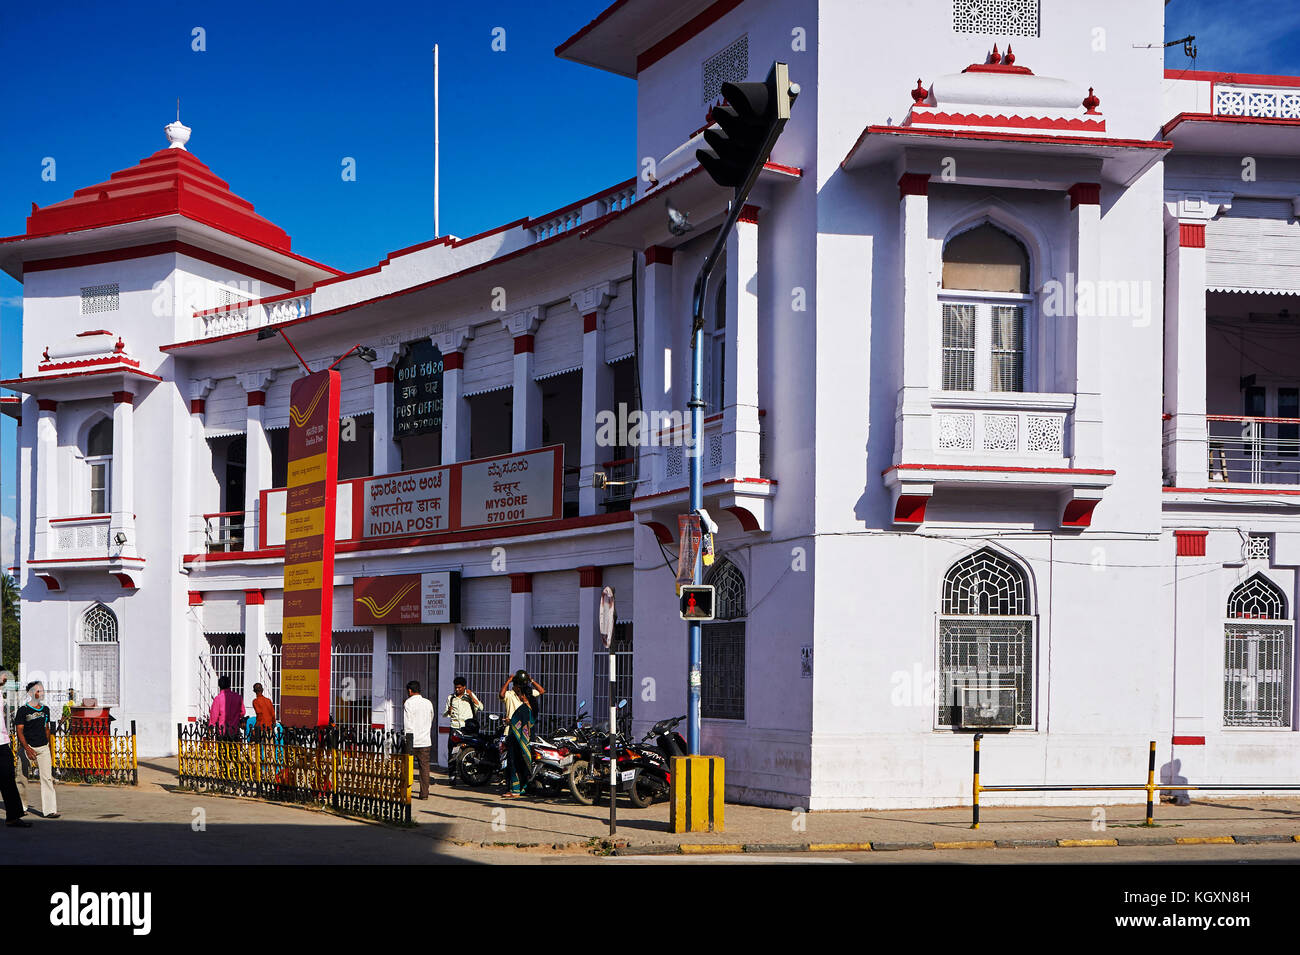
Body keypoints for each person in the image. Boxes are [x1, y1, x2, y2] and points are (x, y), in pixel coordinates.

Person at [14, 681, 58, 819]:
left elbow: (46, 728)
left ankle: (50, 810)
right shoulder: (23, 710)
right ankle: (21, 807)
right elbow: (19, 731)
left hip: (43, 748)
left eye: (43, 690)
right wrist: (26, 748)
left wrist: (48, 747)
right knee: (21, 778)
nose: (42, 693)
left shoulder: (45, 710)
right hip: (27, 747)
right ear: (31, 693)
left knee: (47, 778)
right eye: (39, 690)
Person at [0, 670, 31, 828]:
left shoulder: (0, 695)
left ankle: (13, 816)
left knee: (8, 780)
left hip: (3, 743)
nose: (5, 678)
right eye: (3, 675)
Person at [502, 673, 536, 799]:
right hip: (526, 740)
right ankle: (524, 787)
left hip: (517, 740)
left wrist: (509, 721)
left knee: (514, 763)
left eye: (520, 694)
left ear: (524, 695)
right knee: (523, 764)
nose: (519, 696)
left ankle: (515, 790)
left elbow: (518, 724)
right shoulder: (531, 707)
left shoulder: (523, 708)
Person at [443, 677, 482, 776]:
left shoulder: (469, 695)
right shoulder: (451, 698)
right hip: (455, 727)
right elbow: (445, 713)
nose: (457, 690)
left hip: (468, 728)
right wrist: (449, 711)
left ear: (464, 687)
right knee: (452, 751)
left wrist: (471, 696)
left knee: (471, 749)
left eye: (459, 688)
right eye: (456, 688)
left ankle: (470, 773)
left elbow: (480, 707)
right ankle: (452, 775)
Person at [403, 680, 434, 800]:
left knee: (408, 767)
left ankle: (406, 791)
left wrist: (407, 739)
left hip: (412, 740)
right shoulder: (428, 703)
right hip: (425, 740)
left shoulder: (408, 703)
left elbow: (407, 724)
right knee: (424, 768)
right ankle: (424, 794)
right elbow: (431, 718)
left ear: (410, 691)